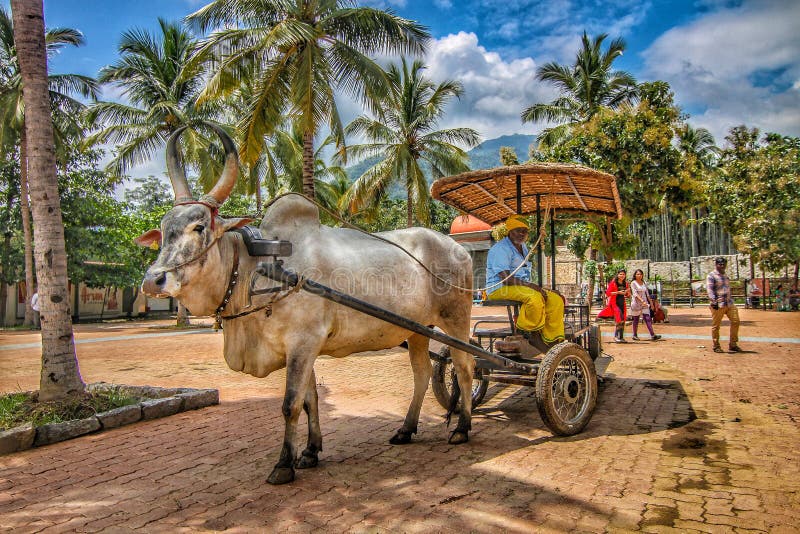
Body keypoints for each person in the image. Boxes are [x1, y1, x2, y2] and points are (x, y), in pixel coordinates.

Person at [486, 215, 565, 345]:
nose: (522, 234)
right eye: (518, 230)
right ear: (510, 231)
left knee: (556, 299)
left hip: (519, 287)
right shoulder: (501, 249)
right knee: (534, 297)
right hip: (498, 288)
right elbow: (505, 278)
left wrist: (540, 288)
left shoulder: (523, 247)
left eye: (525, 231)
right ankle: (528, 332)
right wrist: (532, 287)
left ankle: (552, 338)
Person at [706, 257, 742, 353]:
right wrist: (714, 302)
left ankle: (733, 344)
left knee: (736, 321)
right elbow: (710, 289)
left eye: (724, 264)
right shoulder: (711, 276)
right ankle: (716, 345)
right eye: (720, 264)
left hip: (729, 303)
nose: (722, 266)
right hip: (718, 304)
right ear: (716, 264)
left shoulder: (725, 275)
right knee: (716, 326)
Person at [629, 269, 662, 341]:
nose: (639, 275)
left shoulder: (643, 282)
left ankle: (653, 335)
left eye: (640, 274)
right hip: (636, 303)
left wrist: (651, 303)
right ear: (635, 275)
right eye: (637, 274)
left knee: (647, 318)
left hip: (645, 302)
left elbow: (647, 293)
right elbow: (634, 293)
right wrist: (641, 300)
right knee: (636, 319)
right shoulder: (633, 283)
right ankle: (634, 335)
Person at [602, 269, 631, 343]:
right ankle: (616, 337)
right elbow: (608, 293)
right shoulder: (613, 283)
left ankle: (621, 337)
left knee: (622, 320)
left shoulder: (626, 284)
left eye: (623, 274)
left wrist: (627, 293)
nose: (622, 276)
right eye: (620, 274)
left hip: (622, 304)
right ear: (617, 275)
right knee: (619, 319)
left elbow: (627, 295)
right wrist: (618, 292)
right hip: (614, 303)